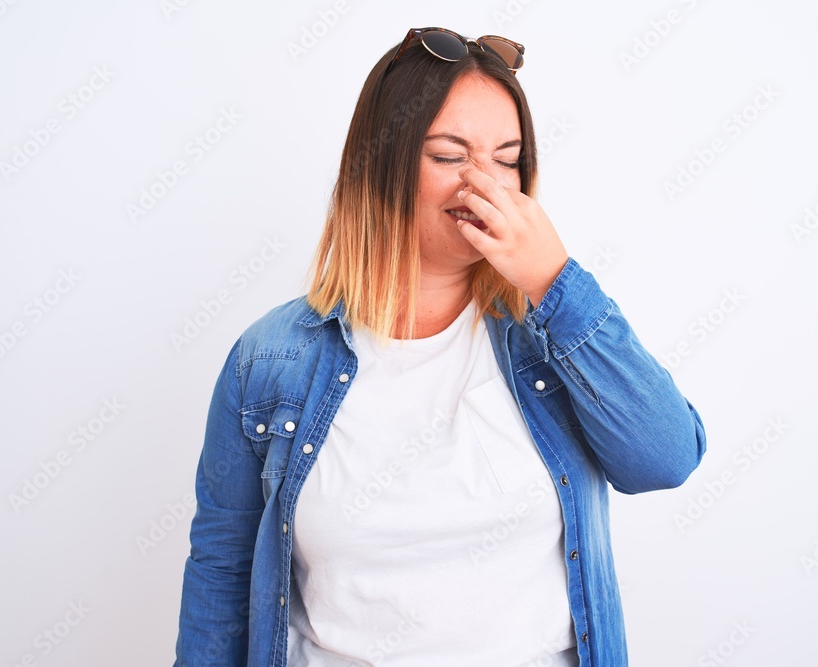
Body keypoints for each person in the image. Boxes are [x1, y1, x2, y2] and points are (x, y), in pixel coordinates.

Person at [174, 27, 706, 667]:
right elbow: (223, 573)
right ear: (382, 164)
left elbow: (666, 458)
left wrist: (555, 282)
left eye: (506, 159)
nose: (483, 184)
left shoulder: (551, 335)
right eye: (451, 155)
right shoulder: (269, 362)